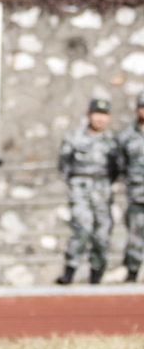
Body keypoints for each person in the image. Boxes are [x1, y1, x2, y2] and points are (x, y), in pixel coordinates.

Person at [57, 96, 118, 285]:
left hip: (103, 191)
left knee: (102, 233)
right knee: (82, 229)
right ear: (88, 114)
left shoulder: (113, 141)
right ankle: (70, 270)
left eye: (104, 114)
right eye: (96, 113)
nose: (100, 118)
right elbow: (63, 165)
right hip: (80, 190)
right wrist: (75, 184)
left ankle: (96, 273)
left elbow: (117, 168)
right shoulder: (74, 137)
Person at [116, 91, 144, 284]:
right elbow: (119, 163)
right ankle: (132, 272)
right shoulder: (126, 136)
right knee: (135, 235)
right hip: (137, 195)